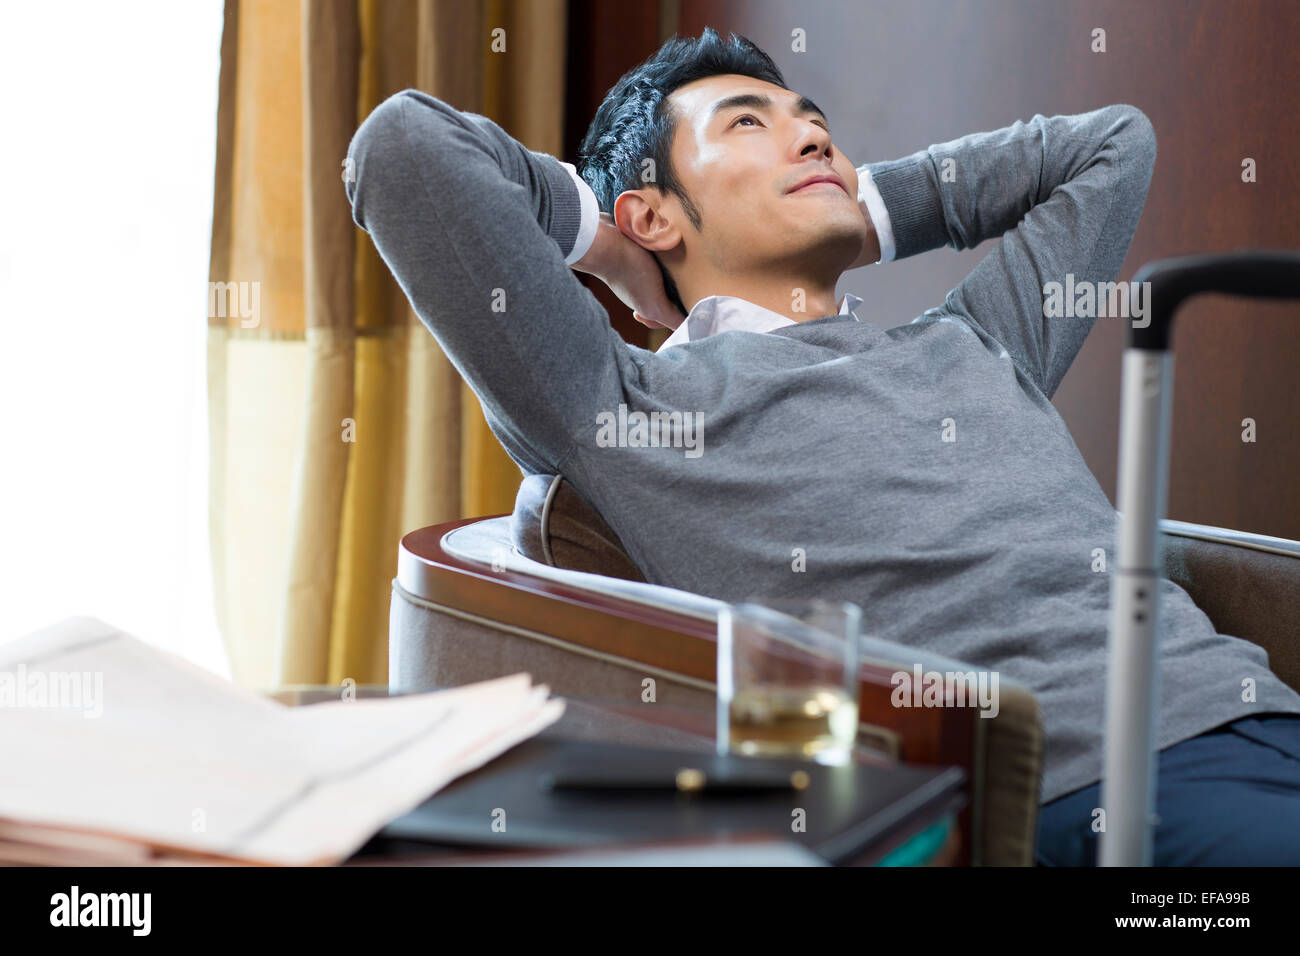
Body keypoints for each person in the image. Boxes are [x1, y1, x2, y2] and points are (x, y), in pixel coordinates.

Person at [344, 28, 1300, 864]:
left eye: (816, 125)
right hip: (1101, 789)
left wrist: (856, 200)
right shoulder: (630, 407)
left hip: (1262, 709)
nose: (814, 137)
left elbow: (1113, 144)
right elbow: (401, 147)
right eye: (747, 123)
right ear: (653, 212)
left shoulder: (979, 341)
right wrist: (609, 242)